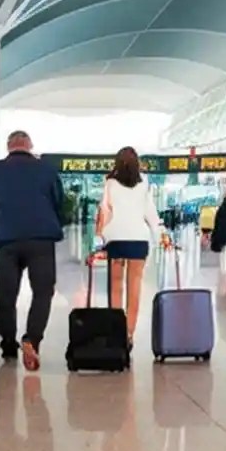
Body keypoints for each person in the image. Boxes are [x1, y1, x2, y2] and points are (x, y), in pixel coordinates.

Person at [0, 130, 64, 371]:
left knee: (7, 295)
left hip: (7, 239)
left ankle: (8, 346)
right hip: (41, 239)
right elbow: (59, 201)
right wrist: (58, 223)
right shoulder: (46, 169)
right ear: (30, 146)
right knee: (43, 292)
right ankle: (32, 339)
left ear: (8, 147)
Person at [93, 147, 162, 353]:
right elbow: (150, 213)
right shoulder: (144, 183)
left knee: (116, 287)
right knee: (135, 287)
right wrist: (160, 235)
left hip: (116, 239)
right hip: (139, 239)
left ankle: (116, 331)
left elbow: (104, 212)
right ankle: (129, 334)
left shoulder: (110, 184)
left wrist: (98, 240)